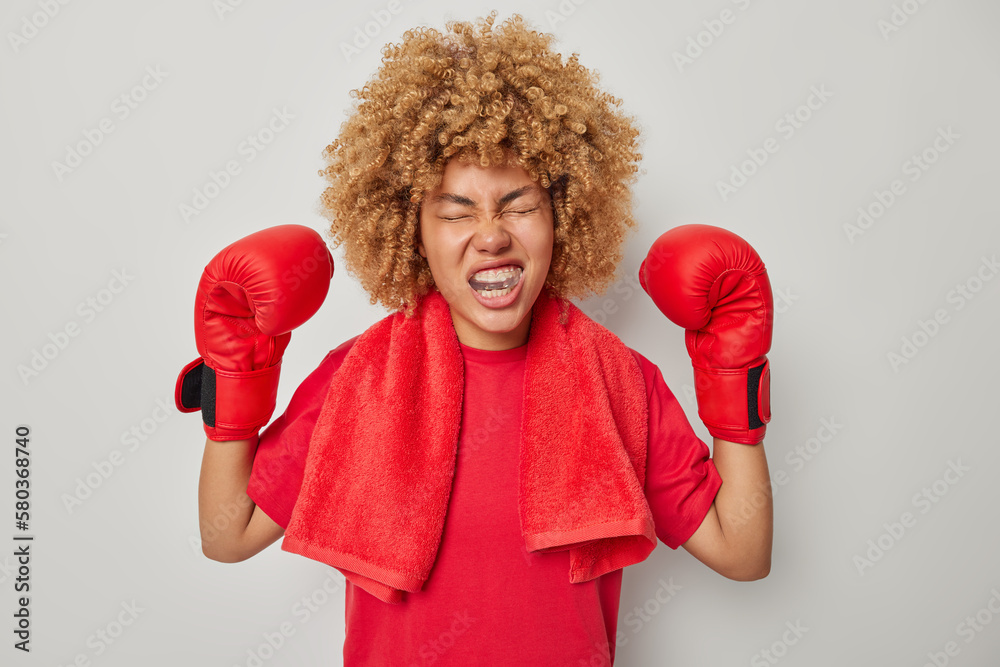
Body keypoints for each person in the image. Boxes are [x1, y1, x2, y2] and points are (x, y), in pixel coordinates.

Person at [178, 13, 773, 665]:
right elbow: (226, 534)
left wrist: (732, 377)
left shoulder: (618, 380)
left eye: (519, 204)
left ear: (563, 216)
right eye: (457, 210)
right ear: (412, 232)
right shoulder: (356, 377)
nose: (491, 234)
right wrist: (235, 374)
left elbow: (743, 553)